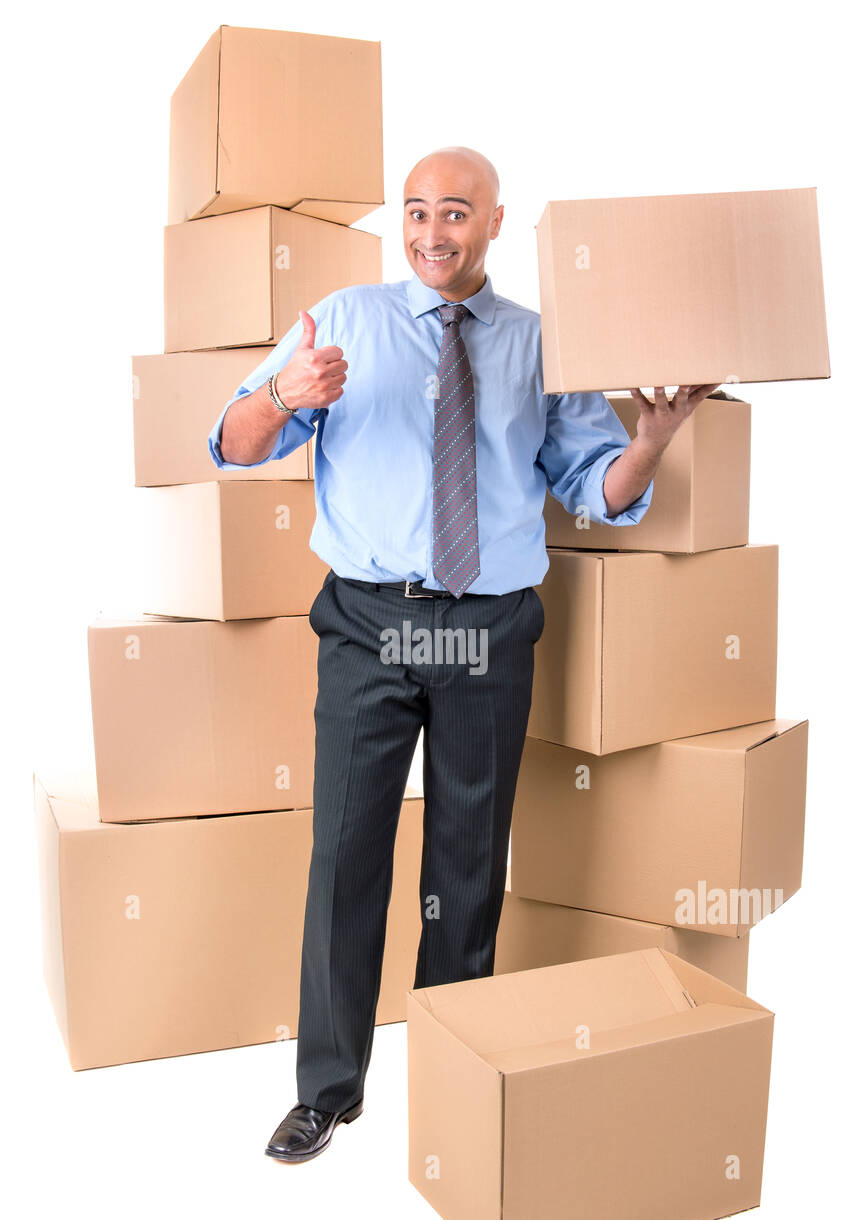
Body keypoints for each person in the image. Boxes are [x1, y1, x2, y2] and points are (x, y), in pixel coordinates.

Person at [208, 146, 719, 1163]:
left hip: (487, 628)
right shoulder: (341, 323)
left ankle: (451, 1074)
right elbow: (232, 439)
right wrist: (285, 394)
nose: (431, 233)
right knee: (346, 852)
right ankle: (328, 1088)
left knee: (468, 866)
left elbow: (595, 492)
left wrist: (653, 440)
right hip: (368, 621)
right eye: (414, 212)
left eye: (453, 213)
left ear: (492, 222)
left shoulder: (541, 343)